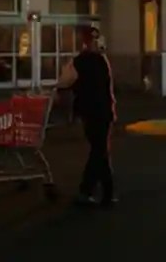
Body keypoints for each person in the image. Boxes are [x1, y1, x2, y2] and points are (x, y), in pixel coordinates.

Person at [58, 25, 117, 207]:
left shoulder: (78, 62)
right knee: (100, 151)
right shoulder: (102, 61)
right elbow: (109, 88)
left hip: (90, 111)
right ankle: (105, 192)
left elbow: (64, 83)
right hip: (102, 110)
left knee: (98, 151)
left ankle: (90, 190)